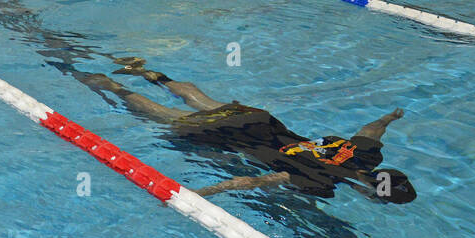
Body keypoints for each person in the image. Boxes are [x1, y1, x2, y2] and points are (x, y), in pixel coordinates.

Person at [76, 61, 416, 203]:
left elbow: (372, 128)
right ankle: (110, 84)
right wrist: (202, 194)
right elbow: (253, 182)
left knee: (201, 99)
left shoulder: (367, 154)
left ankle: (151, 74)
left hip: (259, 119)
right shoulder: (322, 183)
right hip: (237, 136)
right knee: (163, 116)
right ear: (373, 196)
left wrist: (391, 116)